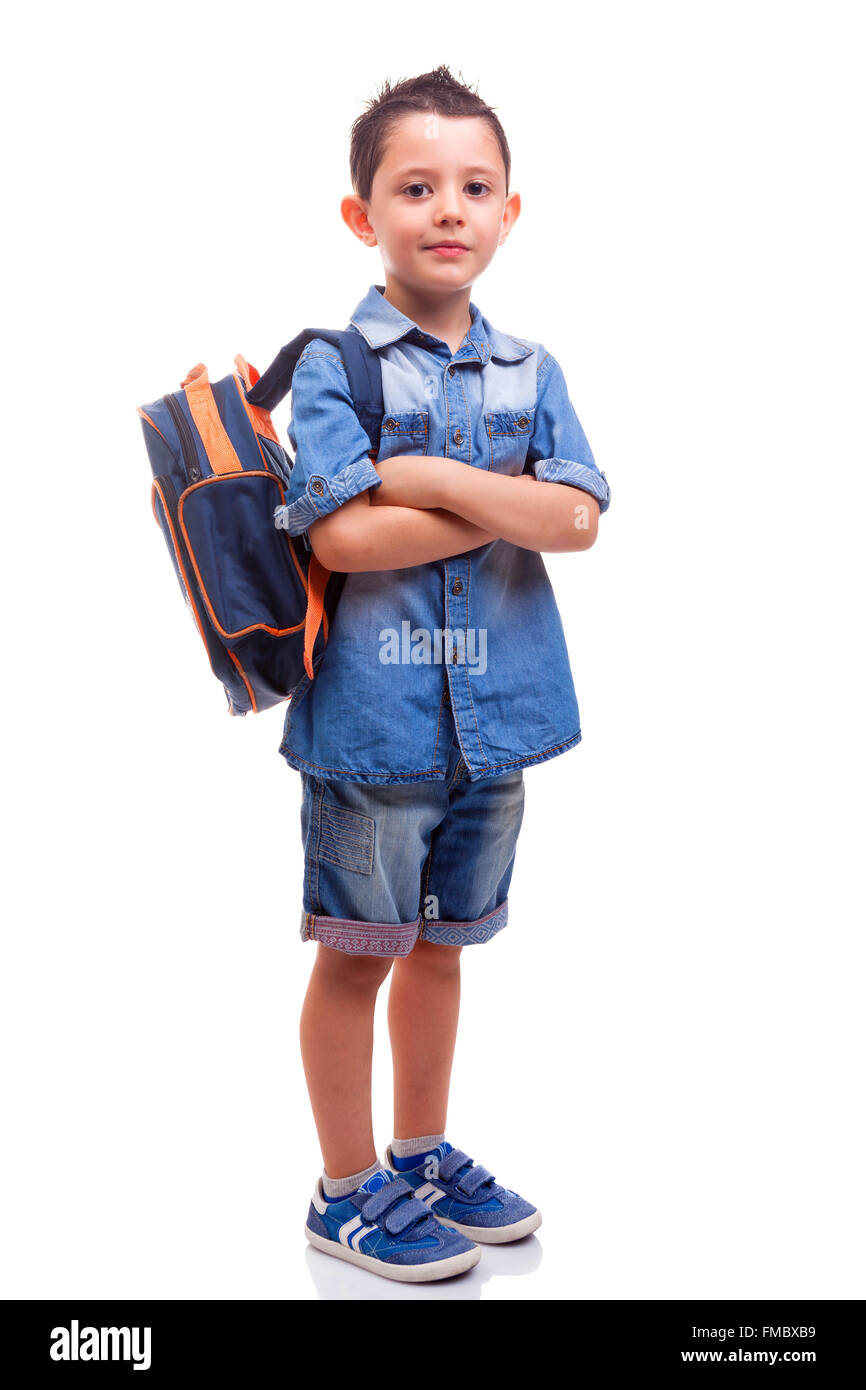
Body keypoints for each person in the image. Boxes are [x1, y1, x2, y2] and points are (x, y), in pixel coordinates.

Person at [276, 65, 611, 1282]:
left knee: (441, 945)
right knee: (355, 951)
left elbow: (578, 520)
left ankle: (419, 1149)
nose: (448, 209)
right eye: (415, 187)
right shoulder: (335, 368)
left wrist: (427, 477)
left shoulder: (532, 369)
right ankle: (345, 1185)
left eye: (475, 186)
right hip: (375, 726)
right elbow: (341, 538)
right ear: (363, 215)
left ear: (510, 211)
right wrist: (507, 502)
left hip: (496, 726)